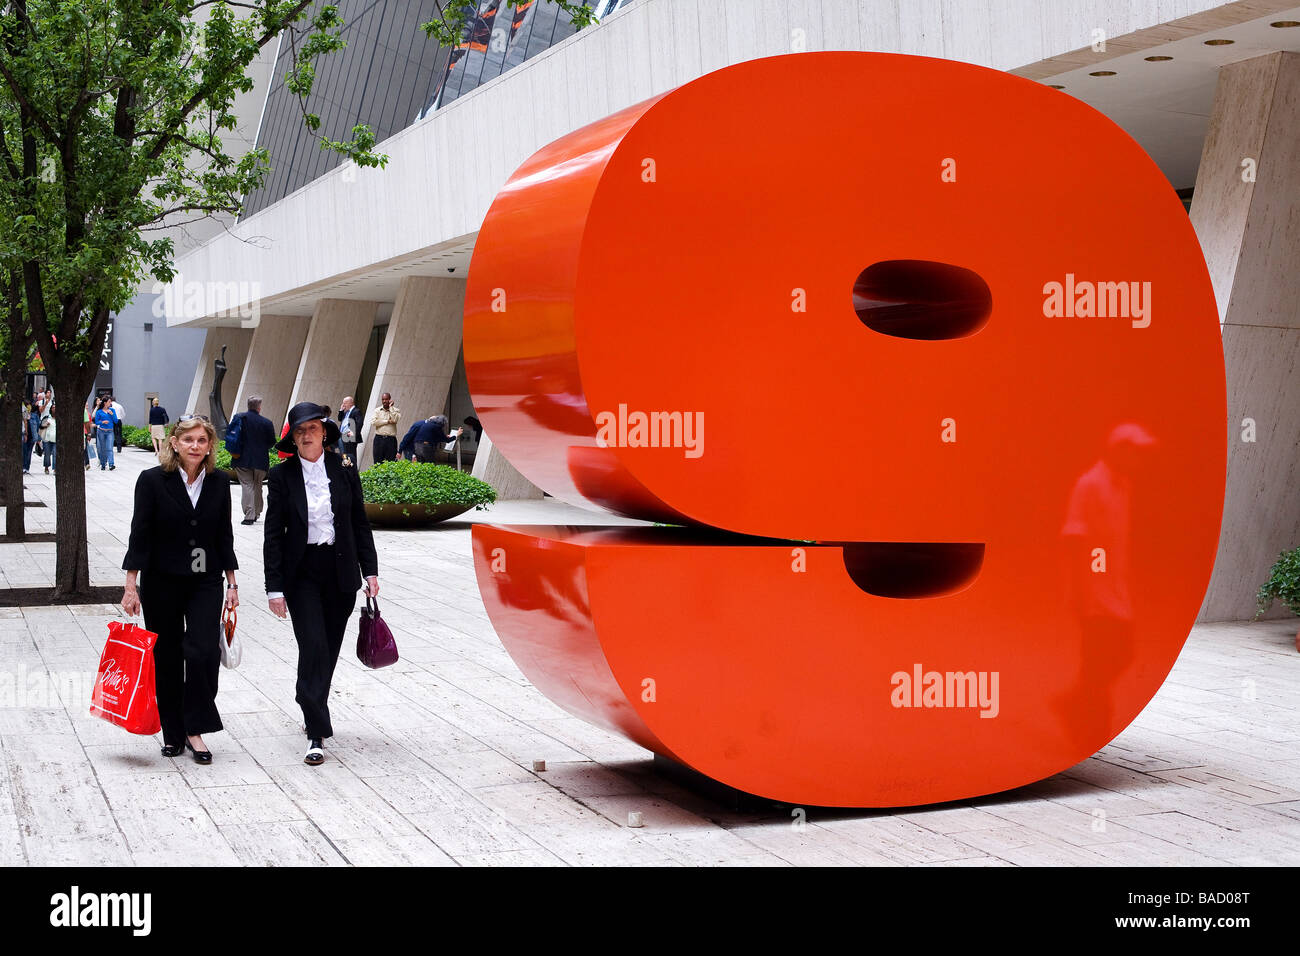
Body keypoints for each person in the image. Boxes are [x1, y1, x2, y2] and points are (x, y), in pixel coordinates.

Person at [264, 402, 378, 766]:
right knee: (312, 645)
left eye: (313, 428)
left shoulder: (343, 469)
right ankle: (316, 731)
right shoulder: (281, 476)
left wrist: (370, 571)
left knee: (327, 650)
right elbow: (273, 535)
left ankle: (312, 705)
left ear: (324, 432)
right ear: (293, 438)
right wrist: (274, 587)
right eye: (300, 430)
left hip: (341, 570)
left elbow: (359, 521)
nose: (308, 435)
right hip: (303, 574)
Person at [120, 415, 239, 764]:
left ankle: (194, 726)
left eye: (202, 440)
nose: (196, 446)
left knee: (202, 651)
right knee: (167, 656)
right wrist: (131, 585)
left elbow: (223, 537)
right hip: (161, 580)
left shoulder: (218, 483)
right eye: (189, 440)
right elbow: (139, 534)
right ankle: (174, 732)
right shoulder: (152, 481)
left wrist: (232, 583)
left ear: (209, 445)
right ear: (174, 443)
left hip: (205, 580)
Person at [229, 396, 277, 525]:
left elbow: (231, 436)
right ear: (259, 407)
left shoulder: (239, 418)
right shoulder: (266, 423)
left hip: (241, 458)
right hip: (261, 459)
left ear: (248, 405)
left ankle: (249, 515)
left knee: (247, 485)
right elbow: (272, 442)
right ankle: (257, 512)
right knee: (257, 485)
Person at [369, 392, 400, 463]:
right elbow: (374, 422)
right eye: (383, 399)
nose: (384, 401)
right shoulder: (377, 410)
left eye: (386, 399)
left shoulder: (396, 410)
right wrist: (387, 421)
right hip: (379, 439)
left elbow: (395, 420)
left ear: (390, 400)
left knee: (391, 462)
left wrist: (391, 408)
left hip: (391, 440)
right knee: (377, 461)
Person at [92, 396, 117, 470]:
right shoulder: (99, 412)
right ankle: (103, 463)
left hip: (110, 431)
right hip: (101, 431)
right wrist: (103, 422)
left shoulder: (112, 410)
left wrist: (112, 414)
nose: (110, 403)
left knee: (109, 448)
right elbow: (96, 422)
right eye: (109, 402)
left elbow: (115, 421)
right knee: (102, 448)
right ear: (105, 403)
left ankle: (111, 464)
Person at [337, 397, 360, 465]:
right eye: (343, 403)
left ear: (351, 403)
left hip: (349, 437)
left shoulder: (356, 411)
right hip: (342, 436)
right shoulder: (346, 412)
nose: (343, 405)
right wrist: (341, 410)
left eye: (345, 403)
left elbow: (359, 423)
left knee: (350, 456)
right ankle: (346, 469)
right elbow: (339, 419)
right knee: (343, 454)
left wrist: (353, 433)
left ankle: (352, 471)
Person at [21, 398, 38, 475]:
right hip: (25, 435)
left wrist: (38, 438)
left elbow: (38, 426)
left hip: (31, 436)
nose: (29, 407)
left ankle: (27, 467)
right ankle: (24, 466)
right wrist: (26, 434)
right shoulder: (24, 414)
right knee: (24, 452)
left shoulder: (34, 416)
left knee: (29, 453)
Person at [40, 402, 56, 474]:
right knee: (47, 454)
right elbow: (41, 426)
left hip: (55, 439)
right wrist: (45, 425)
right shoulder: (47, 417)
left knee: (56, 453)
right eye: (53, 408)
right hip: (47, 439)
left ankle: (55, 468)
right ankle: (46, 467)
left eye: (55, 408)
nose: (54, 409)